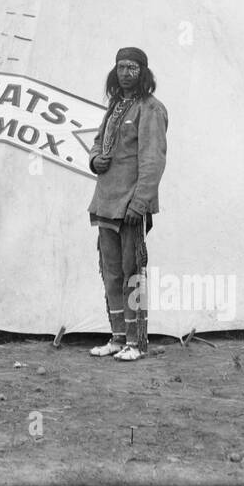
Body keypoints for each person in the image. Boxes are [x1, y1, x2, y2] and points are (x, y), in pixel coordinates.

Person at [87, 47, 168, 362]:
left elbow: (153, 160)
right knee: (112, 273)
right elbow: (97, 142)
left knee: (133, 273)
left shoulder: (151, 109)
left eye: (132, 68)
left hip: (131, 205)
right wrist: (96, 160)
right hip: (105, 201)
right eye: (121, 67)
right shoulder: (115, 106)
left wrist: (140, 202)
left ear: (143, 73)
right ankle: (117, 337)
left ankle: (136, 342)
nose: (125, 73)